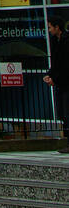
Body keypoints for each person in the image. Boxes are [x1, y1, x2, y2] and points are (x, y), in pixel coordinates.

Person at [44, 15, 69, 150]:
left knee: (67, 112)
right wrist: (49, 75)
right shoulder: (55, 40)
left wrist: (55, 78)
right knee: (62, 113)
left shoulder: (66, 40)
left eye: (50, 27)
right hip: (61, 82)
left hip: (66, 82)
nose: (49, 30)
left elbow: (66, 65)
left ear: (56, 27)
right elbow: (56, 63)